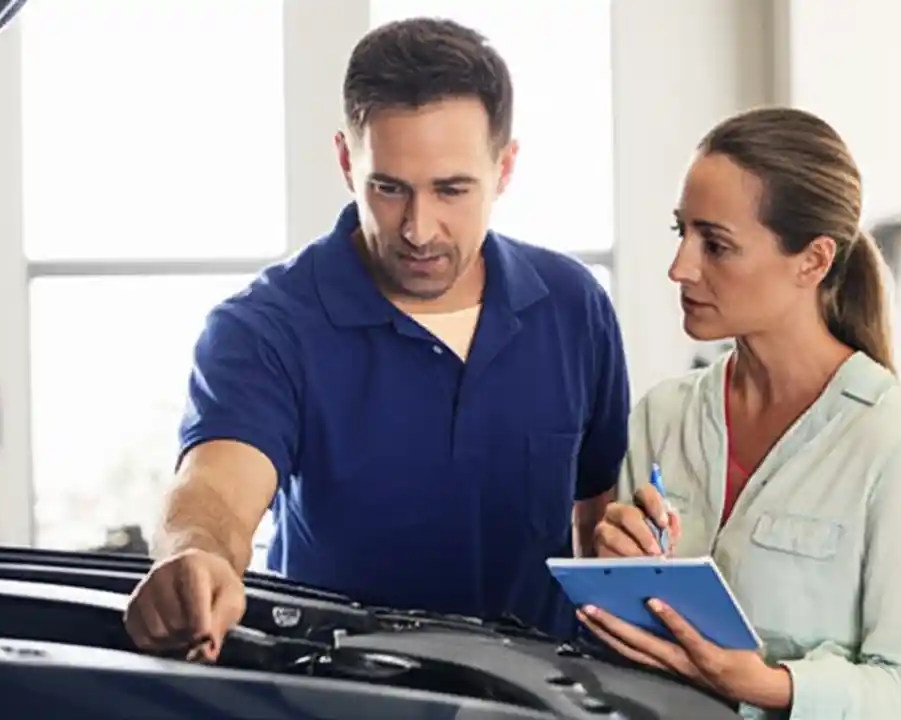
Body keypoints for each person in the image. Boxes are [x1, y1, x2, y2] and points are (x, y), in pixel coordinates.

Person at [123, 17, 629, 661]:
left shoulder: (573, 304)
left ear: (505, 168)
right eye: (388, 189)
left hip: (534, 697)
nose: (419, 228)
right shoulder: (264, 326)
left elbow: (597, 515)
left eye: (451, 190)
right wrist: (194, 556)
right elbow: (215, 488)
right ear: (345, 160)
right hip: (336, 692)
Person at [583, 107, 901, 719]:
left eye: (716, 244)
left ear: (813, 261)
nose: (680, 268)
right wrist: (608, 571)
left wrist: (767, 684)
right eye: (681, 232)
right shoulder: (663, 417)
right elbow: (613, 653)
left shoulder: (896, 447)